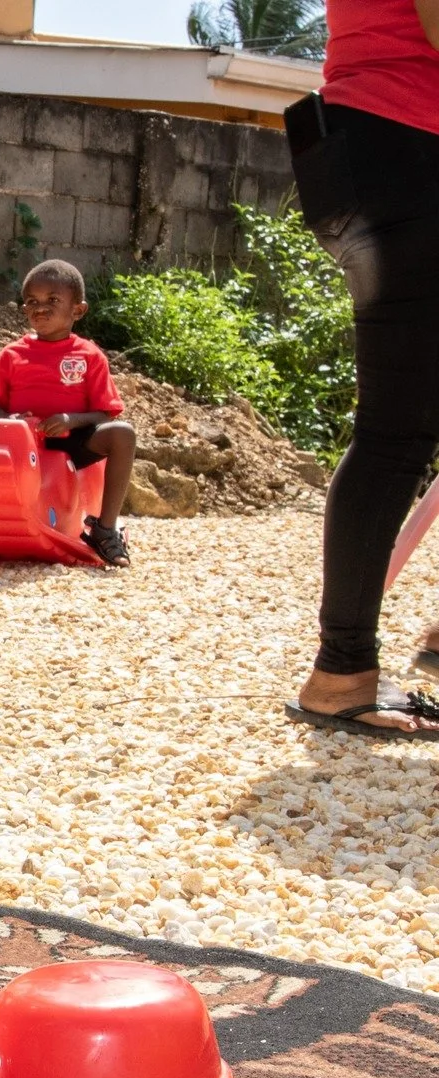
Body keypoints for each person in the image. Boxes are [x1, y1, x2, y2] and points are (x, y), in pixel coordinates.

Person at [283, 0, 439, 737]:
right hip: (411, 150)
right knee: (396, 433)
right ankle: (341, 674)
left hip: (361, 150)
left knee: (398, 427)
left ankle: (362, 664)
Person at [0, 259, 139, 567]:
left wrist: (72, 420)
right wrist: (7, 421)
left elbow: (105, 413)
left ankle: (104, 529)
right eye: (32, 301)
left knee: (123, 434)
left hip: (72, 441)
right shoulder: (12, 354)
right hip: (20, 443)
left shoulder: (88, 355)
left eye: (52, 301)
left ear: (77, 310)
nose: (40, 308)